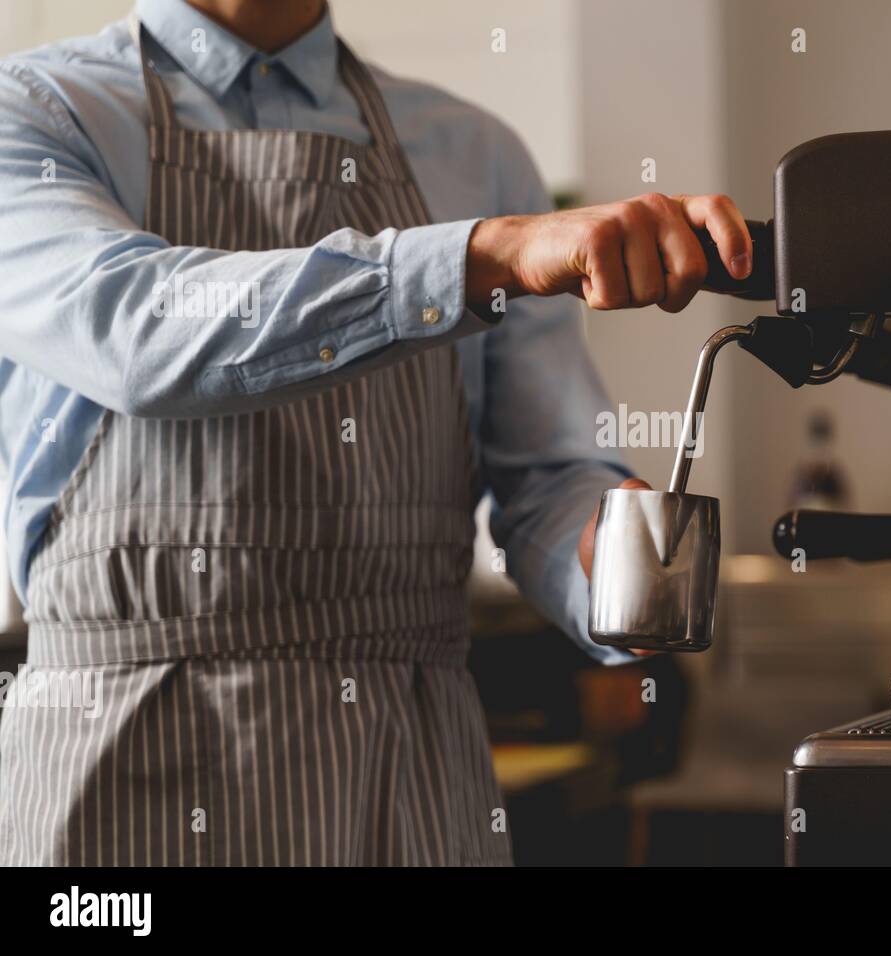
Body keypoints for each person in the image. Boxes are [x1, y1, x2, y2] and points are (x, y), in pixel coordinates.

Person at [0, 0, 752, 866]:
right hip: (119, 777)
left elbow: (546, 478)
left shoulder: (478, 152)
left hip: (406, 777)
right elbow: (139, 330)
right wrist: (475, 259)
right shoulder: (38, 108)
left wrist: (602, 558)